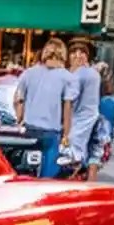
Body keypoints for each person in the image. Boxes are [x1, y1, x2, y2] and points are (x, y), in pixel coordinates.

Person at [14, 38, 75, 178]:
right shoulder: (67, 78)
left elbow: (18, 100)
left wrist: (19, 120)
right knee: (48, 176)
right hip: (51, 131)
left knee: (25, 170)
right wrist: (66, 135)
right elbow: (67, 108)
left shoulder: (29, 73)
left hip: (29, 129)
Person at [65, 40, 102, 174]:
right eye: (74, 52)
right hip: (93, 120)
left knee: (72, 158)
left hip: (78, 123)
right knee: (92, 157)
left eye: (82, 52)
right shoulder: (94, 73)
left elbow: (69, 100)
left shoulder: (79, 74)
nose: (78, 55)